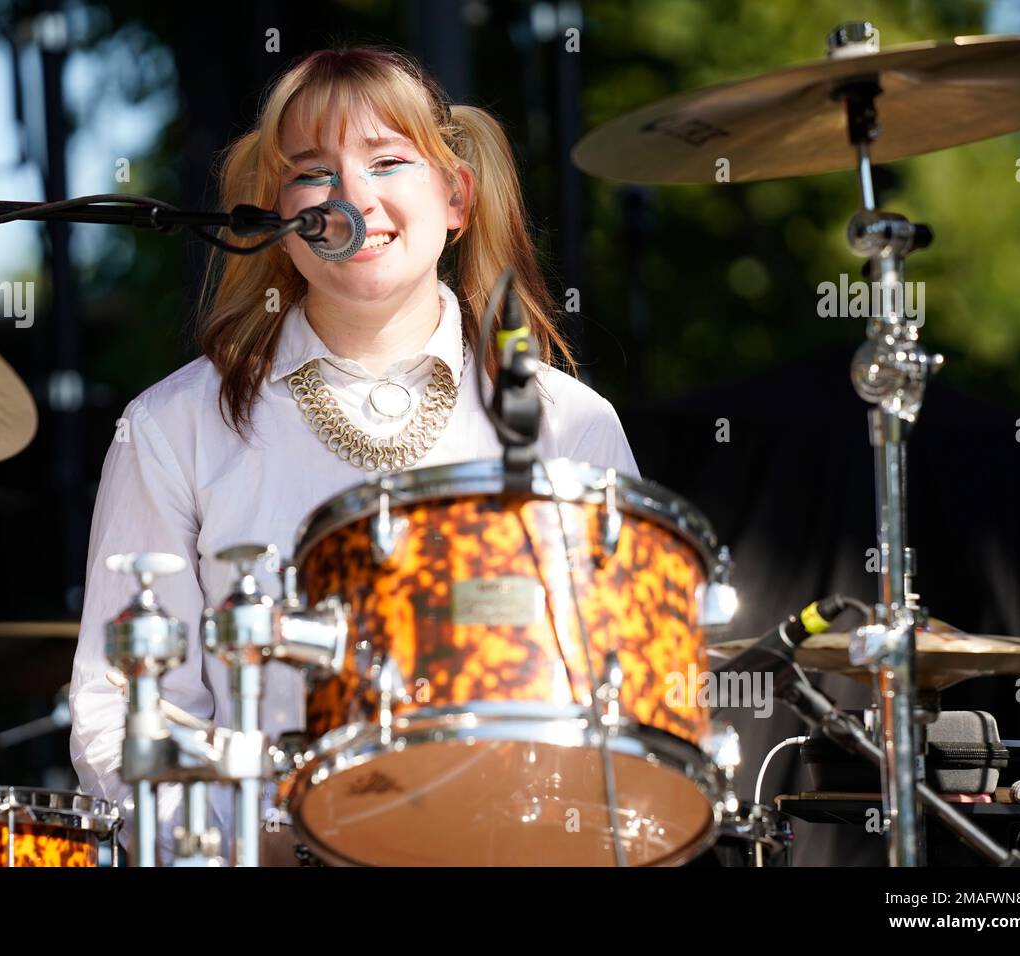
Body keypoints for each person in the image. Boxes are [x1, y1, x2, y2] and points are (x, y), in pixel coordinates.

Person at [69, 45, 640, 865]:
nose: (351, 197)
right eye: (312, 172)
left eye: (387, 160)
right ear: (273, 216)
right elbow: (117, 706)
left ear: (456, 197)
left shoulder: (569, 424)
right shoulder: (172, 426)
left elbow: (626, 692)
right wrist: (244, 847)